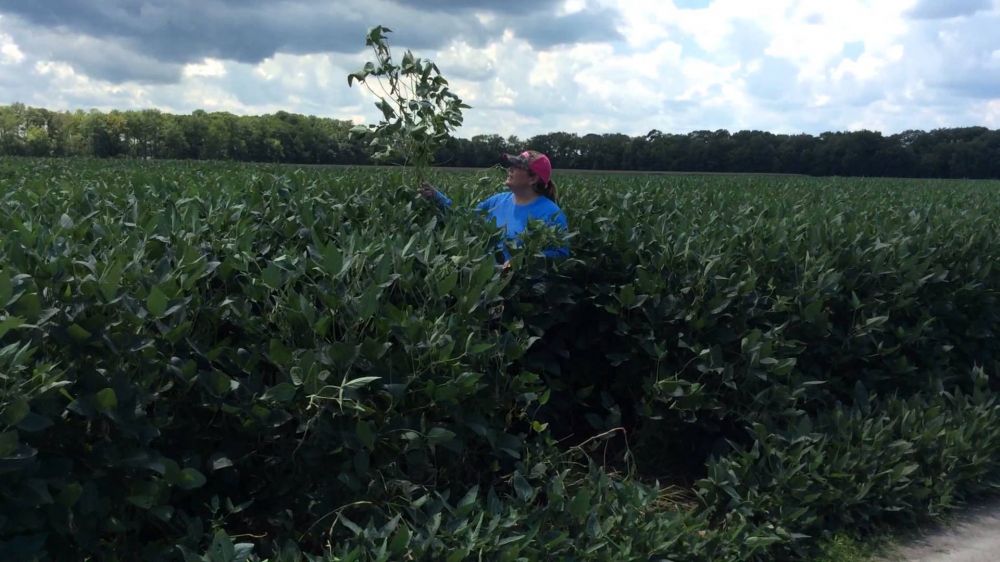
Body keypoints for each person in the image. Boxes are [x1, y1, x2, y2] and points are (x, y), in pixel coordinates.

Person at [419, 150, 569, 266]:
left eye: (517, 166)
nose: (510, 169)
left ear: (533, 178)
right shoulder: (498, 200)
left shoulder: (551, 213)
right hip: (490, 283)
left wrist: (519, 262)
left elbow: (561, 254)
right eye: (511, 165)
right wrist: (437, 197)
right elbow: (466, 217)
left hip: (524, 291)